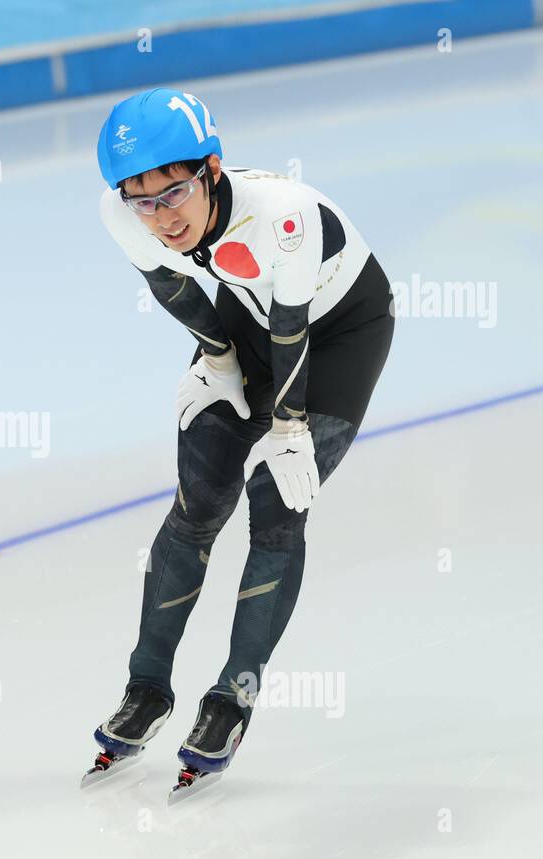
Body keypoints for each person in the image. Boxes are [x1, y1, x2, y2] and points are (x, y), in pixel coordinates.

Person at [89, 87, 395, 790]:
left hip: (343, 329)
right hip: (252, 324)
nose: (162, 216)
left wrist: (289, 430)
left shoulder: (280, 216)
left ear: (213, 171)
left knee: (276, 501)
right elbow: (179, 293)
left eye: (175, 193)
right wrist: (218, 360)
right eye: (143, 200)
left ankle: (232, 695)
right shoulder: (123, 215)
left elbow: (294, 330)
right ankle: (146, 688)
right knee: (198, 501)